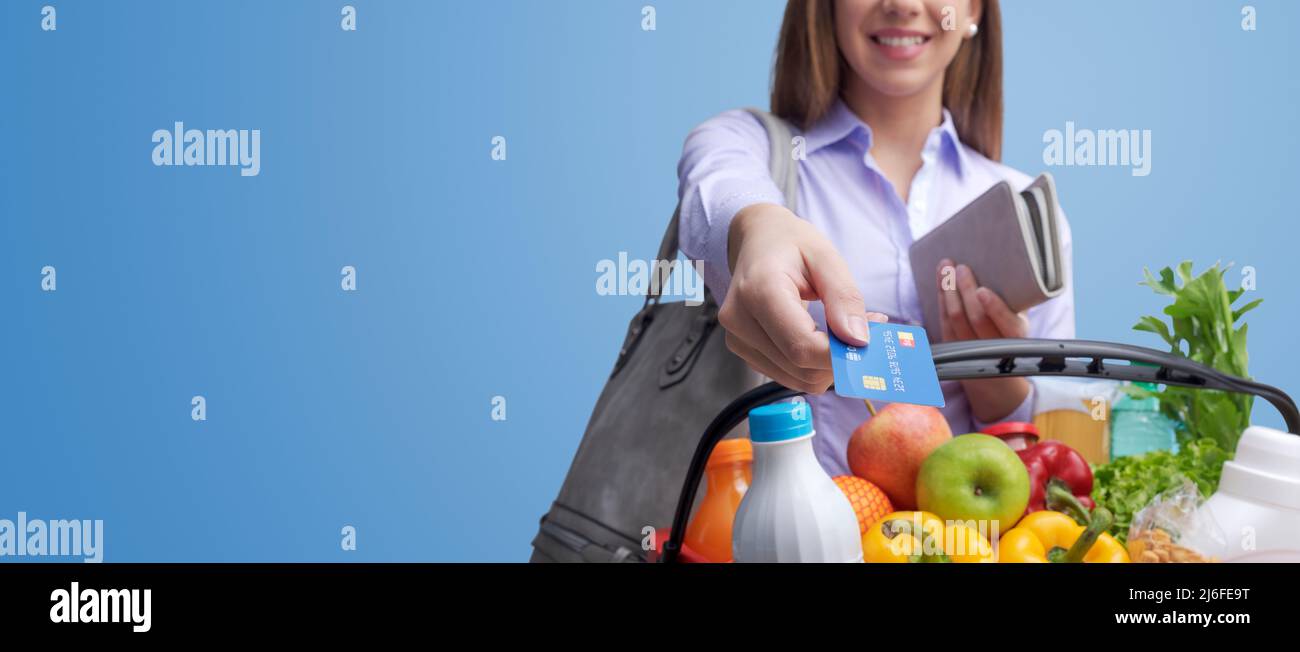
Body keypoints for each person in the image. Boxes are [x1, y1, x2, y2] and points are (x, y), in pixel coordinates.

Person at [676, 0, 1075, 475]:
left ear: (972, 11)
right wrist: (760, 230)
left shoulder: (1026, 213)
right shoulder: (748, 147)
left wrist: (998, 393)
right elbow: (720, 194)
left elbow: (1060, 465)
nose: (902, 5)